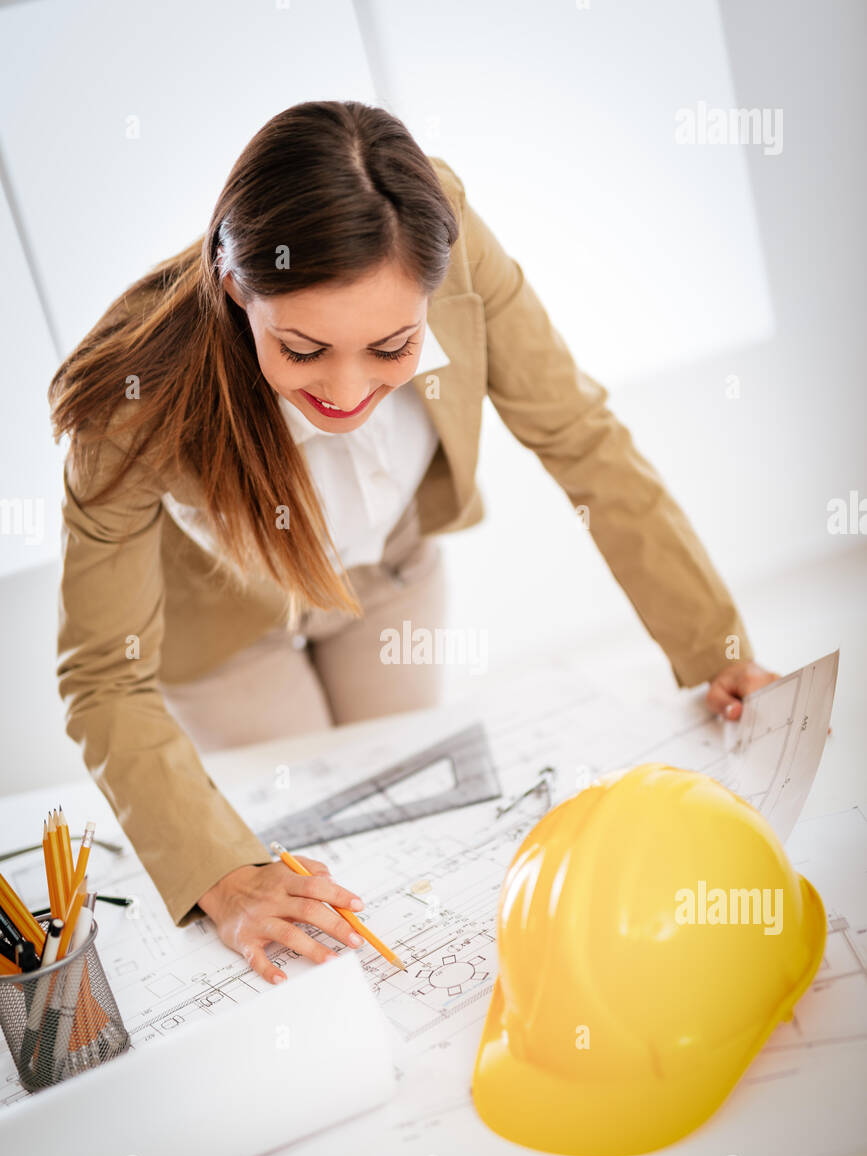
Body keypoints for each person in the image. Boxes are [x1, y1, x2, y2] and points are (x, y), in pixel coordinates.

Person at [49, 100, 778, 984]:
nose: (348, 390)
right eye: (304, 349)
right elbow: (101, 676)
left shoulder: (449, 234)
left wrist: (717, 648)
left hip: (388, 581)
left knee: (410, 832)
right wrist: (220, 876)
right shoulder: (127, 402)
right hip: (227, 641)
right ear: (238, 287)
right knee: (293, 850)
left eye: (392, 347)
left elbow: (578, 438)